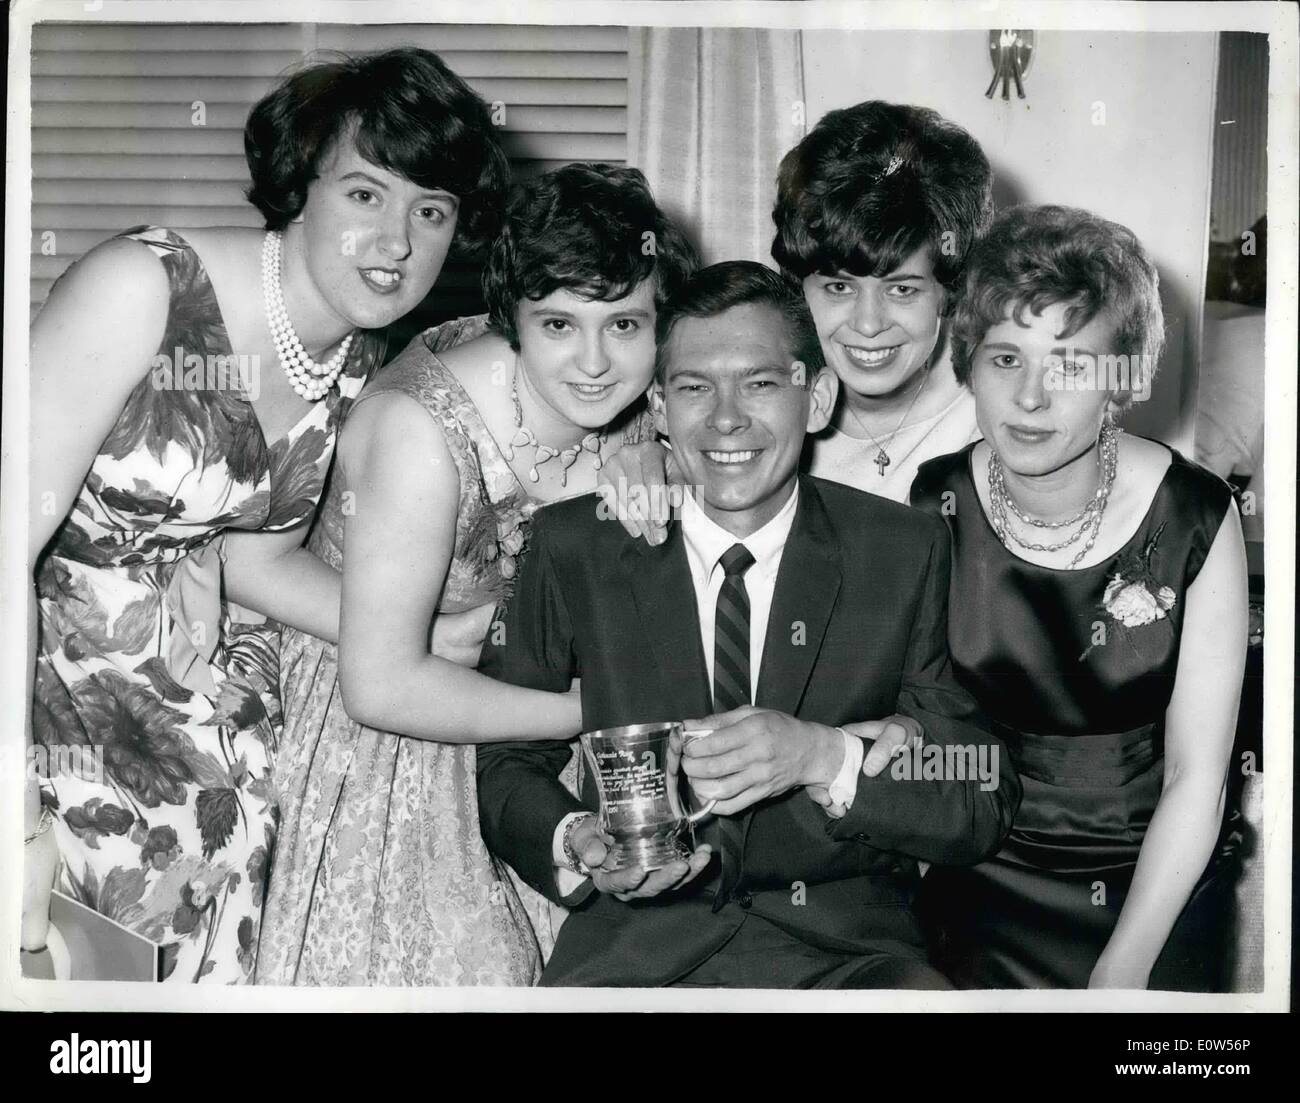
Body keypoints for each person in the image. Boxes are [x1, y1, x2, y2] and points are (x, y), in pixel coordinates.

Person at [23, 47, 509, 983]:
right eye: (366, 194)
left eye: (432, 210)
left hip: (211, 732)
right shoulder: (144, 291)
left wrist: (419, 635)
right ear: (301, 185)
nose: (398, 241)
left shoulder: (355, 361)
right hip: (53, 721)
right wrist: (13, 811)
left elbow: (255, 560)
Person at [476, 261, 1020, 988]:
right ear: (660, 409)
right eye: (695, 387)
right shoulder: (576, 543)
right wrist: (578, 839)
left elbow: (981, 784)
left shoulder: (905, 550)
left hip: (850, 957)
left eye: (760, 383)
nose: (726, 417)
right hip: (630, 958)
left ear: (817, 396)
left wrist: (824, 758)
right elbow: (508, 762)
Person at [254, 164, 699, 986]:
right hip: (386, 743)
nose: (596, 361)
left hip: (521, 738)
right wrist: (587, 710)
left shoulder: (636, 410)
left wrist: (651, 445)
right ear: (512, 318)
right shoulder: (417, 433)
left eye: (626, 325)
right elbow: (380, 687)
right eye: (559, 324)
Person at [910, 205, 1249, 989]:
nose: (1029, 398)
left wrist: (1119, 974)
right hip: (981, 867)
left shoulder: (1195, 514)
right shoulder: (935, 501)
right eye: (1004, 360)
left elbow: (1197, 777)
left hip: (1157, 875)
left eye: (1069, 365)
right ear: (969, 365)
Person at [603, 101, 993, 543]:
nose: (868, 325)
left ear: (948, 288)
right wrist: (656, 462)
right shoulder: (768, 394)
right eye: (838, 288)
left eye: (902, 289)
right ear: (799, 285)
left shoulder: (994, 416)